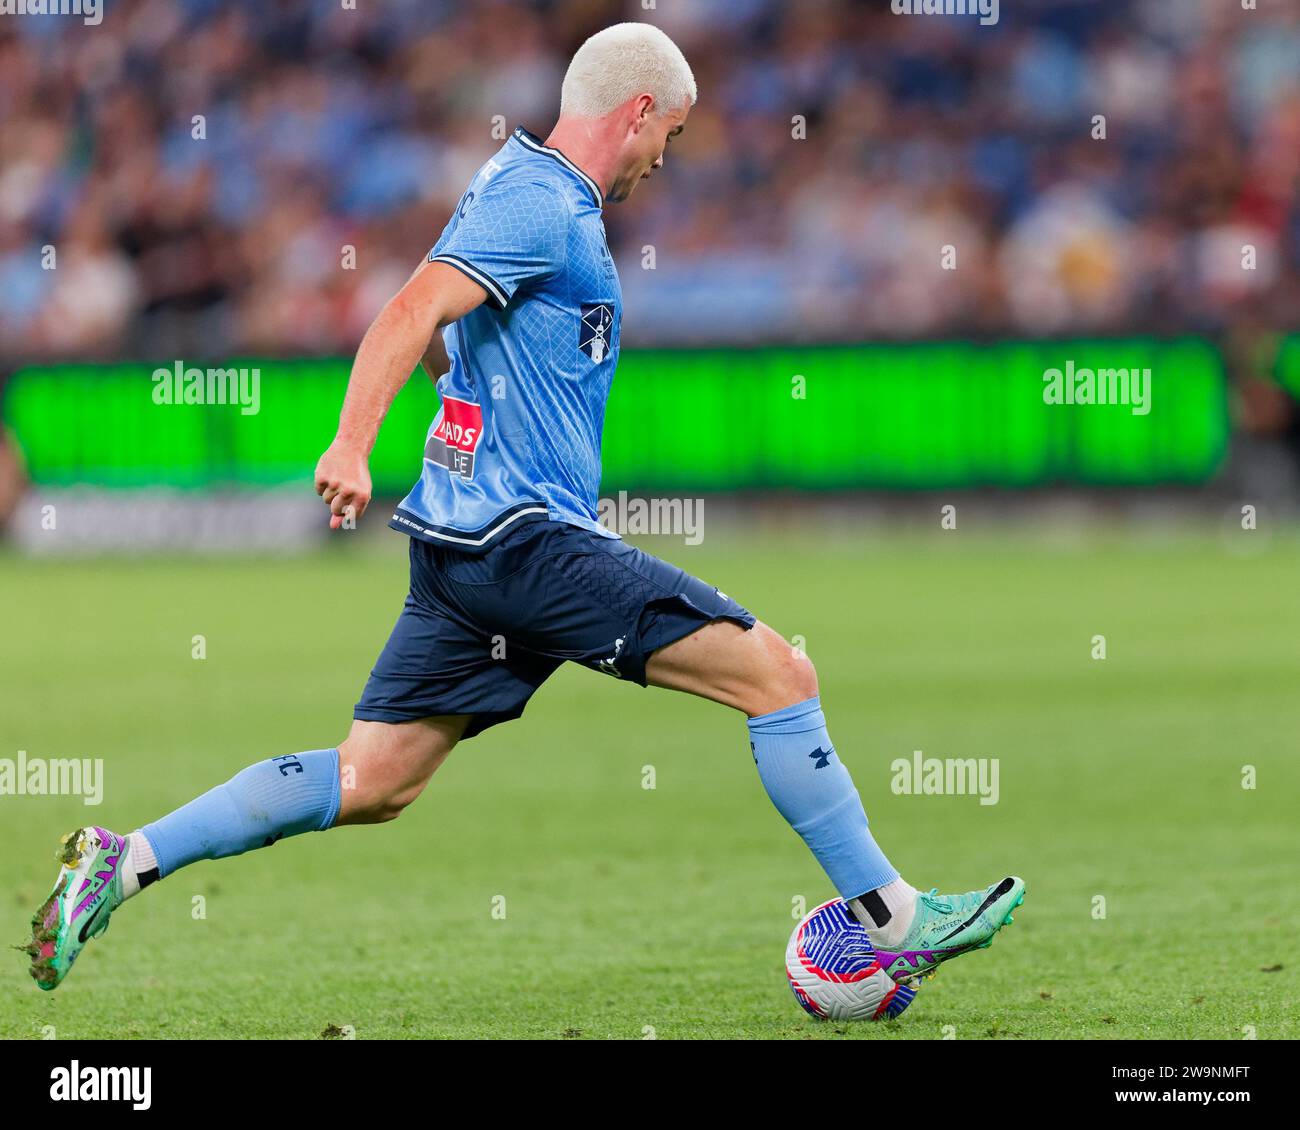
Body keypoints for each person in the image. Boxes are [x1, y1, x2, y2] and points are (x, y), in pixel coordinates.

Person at [28, 23, 1023, 995]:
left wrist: (444, 375)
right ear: (636, 112)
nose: (663, 161)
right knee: (779, 673)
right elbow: (408, 306)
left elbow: (431, 310)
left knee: (373, 778)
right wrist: (349, 441)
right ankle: (891, 919)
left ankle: (126, 859)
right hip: (524, 541)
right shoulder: (543, 202)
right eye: (668, 135)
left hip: (461, 555)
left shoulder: (513, 182)